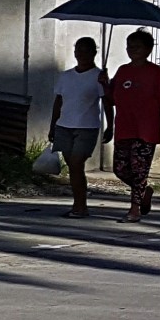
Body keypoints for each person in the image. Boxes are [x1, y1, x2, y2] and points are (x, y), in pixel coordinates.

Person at [108, 30, 160, 224]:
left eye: (137, 47)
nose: (132, 50)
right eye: (129, 46)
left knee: (139, 170)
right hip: (124, 127)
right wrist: (104, 83)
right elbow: (110, 96)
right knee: (120, 168)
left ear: (148, 49)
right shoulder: (122, 71)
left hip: (146, 129)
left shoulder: (156, 73)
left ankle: (134, 209)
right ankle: (144, 191)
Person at [49, 37, 108, 219]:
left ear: (93, 53)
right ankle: (79, 204)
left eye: (85, 51)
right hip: (64, 126)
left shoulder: (99, 77)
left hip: (87, 127)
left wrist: (111, 126)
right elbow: (58, 102)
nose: (80, 54)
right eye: (77, 50)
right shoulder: (66, 76)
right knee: (73, 166)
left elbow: (108, 102)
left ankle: (80, 205)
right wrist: (52, 126)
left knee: (76, 163)